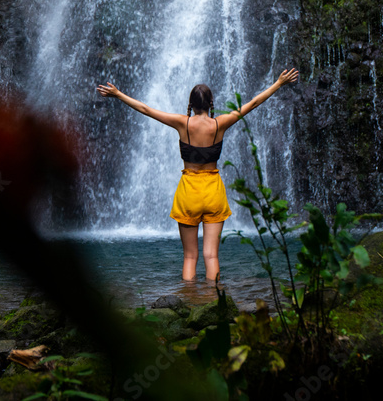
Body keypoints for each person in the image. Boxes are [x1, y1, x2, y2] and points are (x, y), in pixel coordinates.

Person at [95, 69, 299, 281]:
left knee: (190, 257)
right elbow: (254, 103)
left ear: (191, 104)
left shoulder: (182, 123)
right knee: (211, 256)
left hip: (188, 193)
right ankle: (214, 302)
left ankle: (189, 302)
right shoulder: (221, 123)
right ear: (211, 102)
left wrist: (118, 94)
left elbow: (146, 109)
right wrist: (278, 83)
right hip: (213, 193)